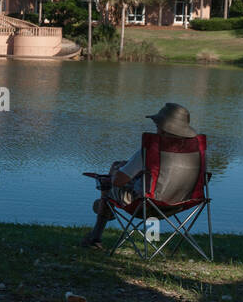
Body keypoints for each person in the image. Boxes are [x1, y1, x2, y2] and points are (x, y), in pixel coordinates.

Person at [81, 102, 198, 249]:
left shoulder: (150, 152)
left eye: (157, 125)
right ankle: (151, 238)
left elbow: (119, 181)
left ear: (162, 129)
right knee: (153, 188)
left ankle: (95, 236)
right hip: (180, 204)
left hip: (146, 205)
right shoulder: (197, 154)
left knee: (109, 181)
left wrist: (115, 173)